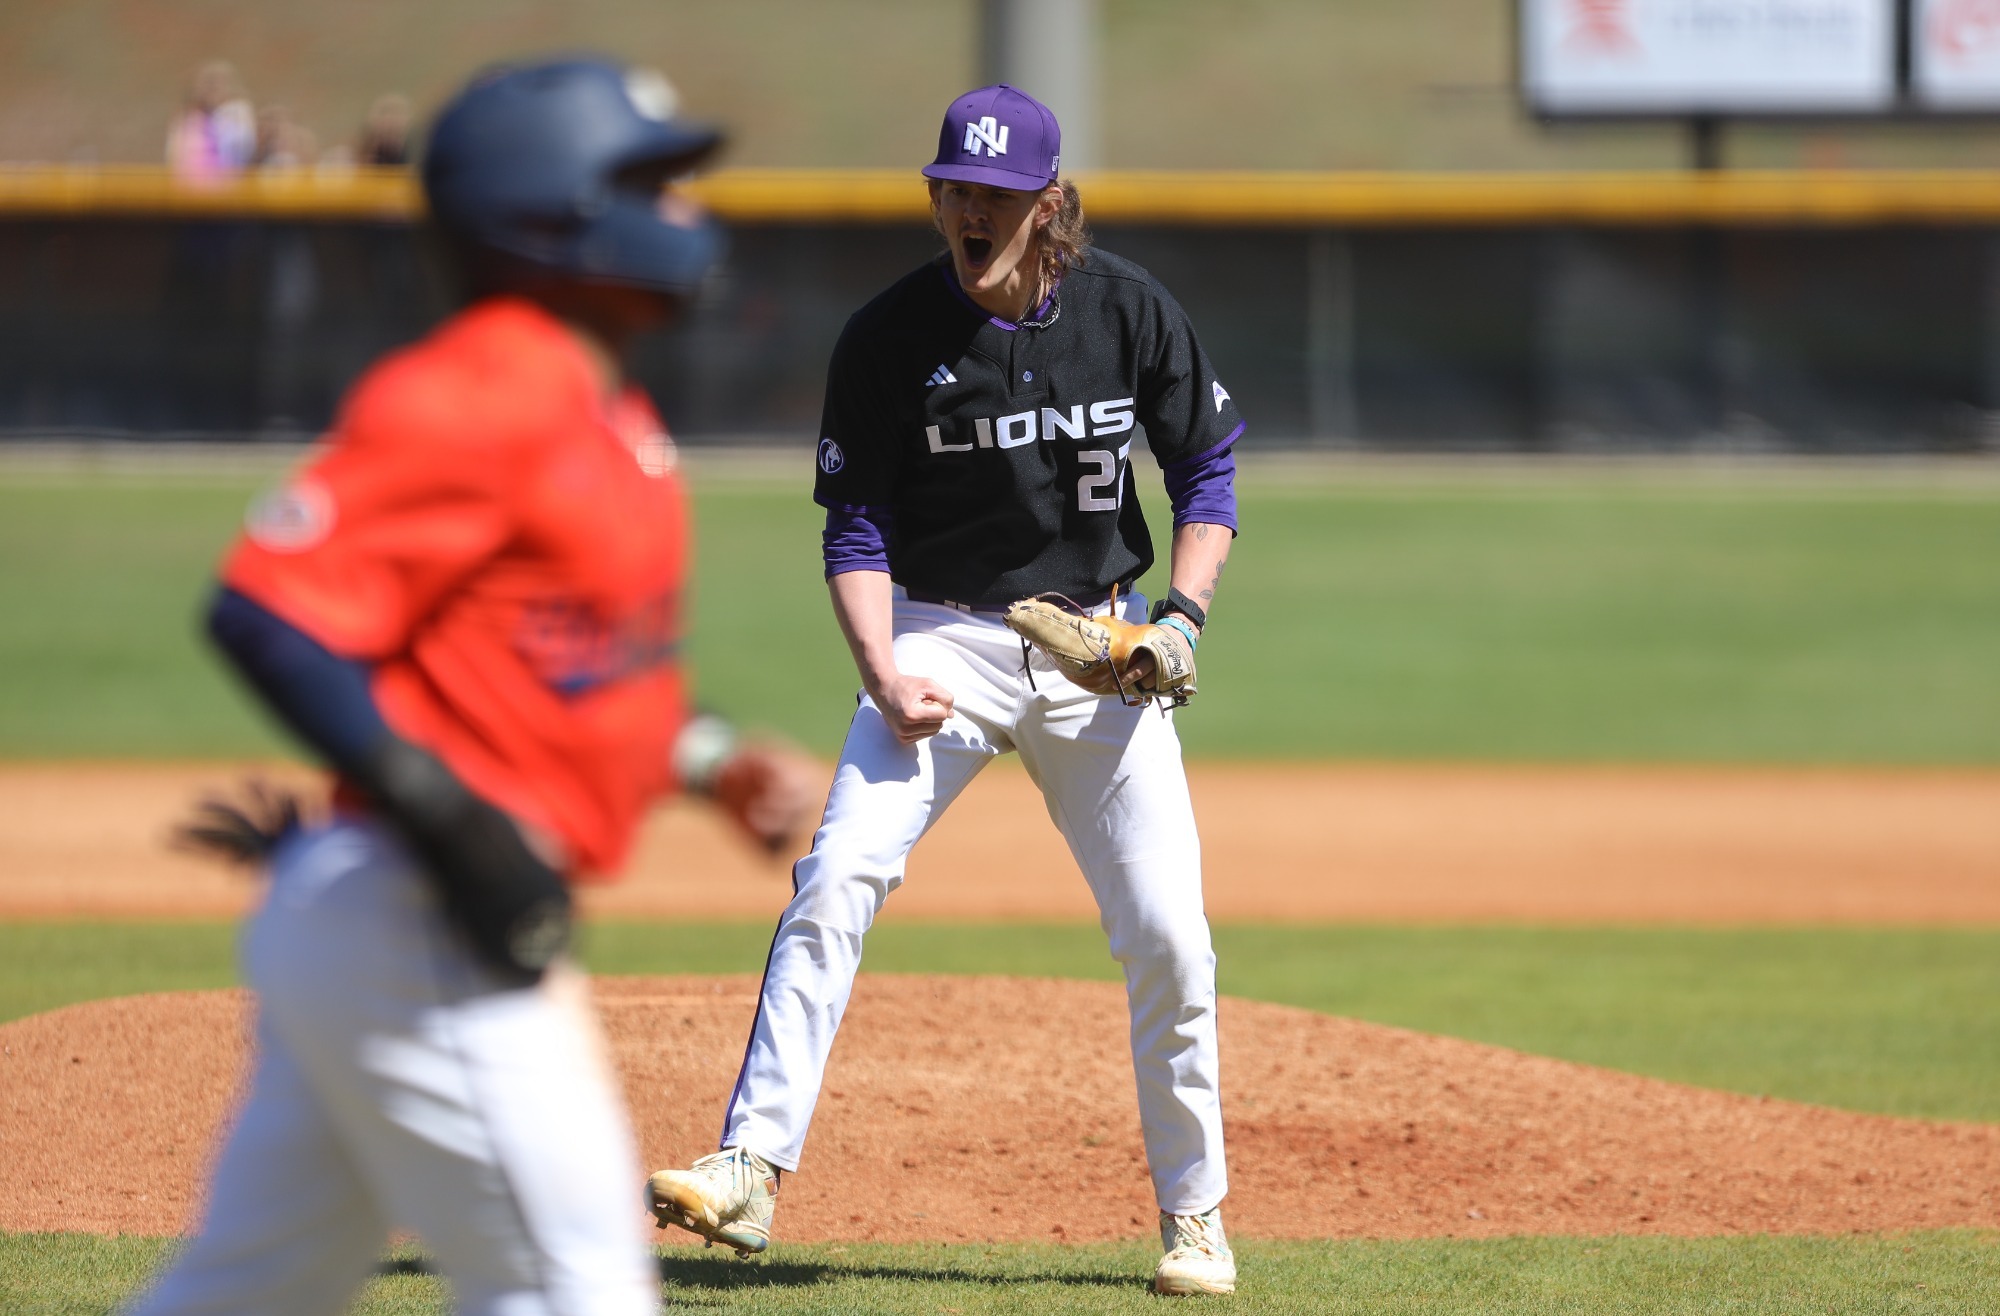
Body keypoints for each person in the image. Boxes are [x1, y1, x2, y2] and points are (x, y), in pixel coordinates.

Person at [123, 57, 811, 1316]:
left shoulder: (608, 412)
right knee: (578, 1288)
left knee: (247, 1290)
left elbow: (568, 664)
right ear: (553, 213)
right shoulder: (483, 388)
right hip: (422, 916)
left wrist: (709, 762)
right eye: (651, 184)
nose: (685, 209)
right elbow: (266, 608)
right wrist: (452, 824)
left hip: (384, 913)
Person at [646, 83, 1243, 1297]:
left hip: (1097, 645)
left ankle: (1194, 1216)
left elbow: (1206, 469)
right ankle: (749, 1164)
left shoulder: (1127, 308)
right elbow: (854, 527)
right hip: (935, 636)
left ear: (1046, 205)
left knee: (1170, 938)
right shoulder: (886, 336)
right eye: (954, 189)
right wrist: (881, 669)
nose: (972, 211)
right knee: (836, 873)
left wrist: (1177, 619)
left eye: (997, 195)